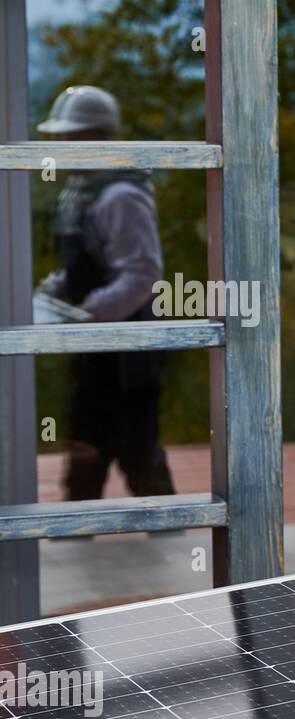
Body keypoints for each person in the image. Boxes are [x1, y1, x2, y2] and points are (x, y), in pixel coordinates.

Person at [37, 85, 175, 502]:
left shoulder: (120, 196)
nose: (63, 145)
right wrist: (53, 292)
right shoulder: (80, 193)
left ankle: (170, 541)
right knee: (85, 449)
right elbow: (86, 263)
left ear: (97, 138)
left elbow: (142, 274)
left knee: (137, 451)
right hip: (96, 345)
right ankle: (77, 541)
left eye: (72, 137)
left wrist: (84, 316)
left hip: (127, 350)